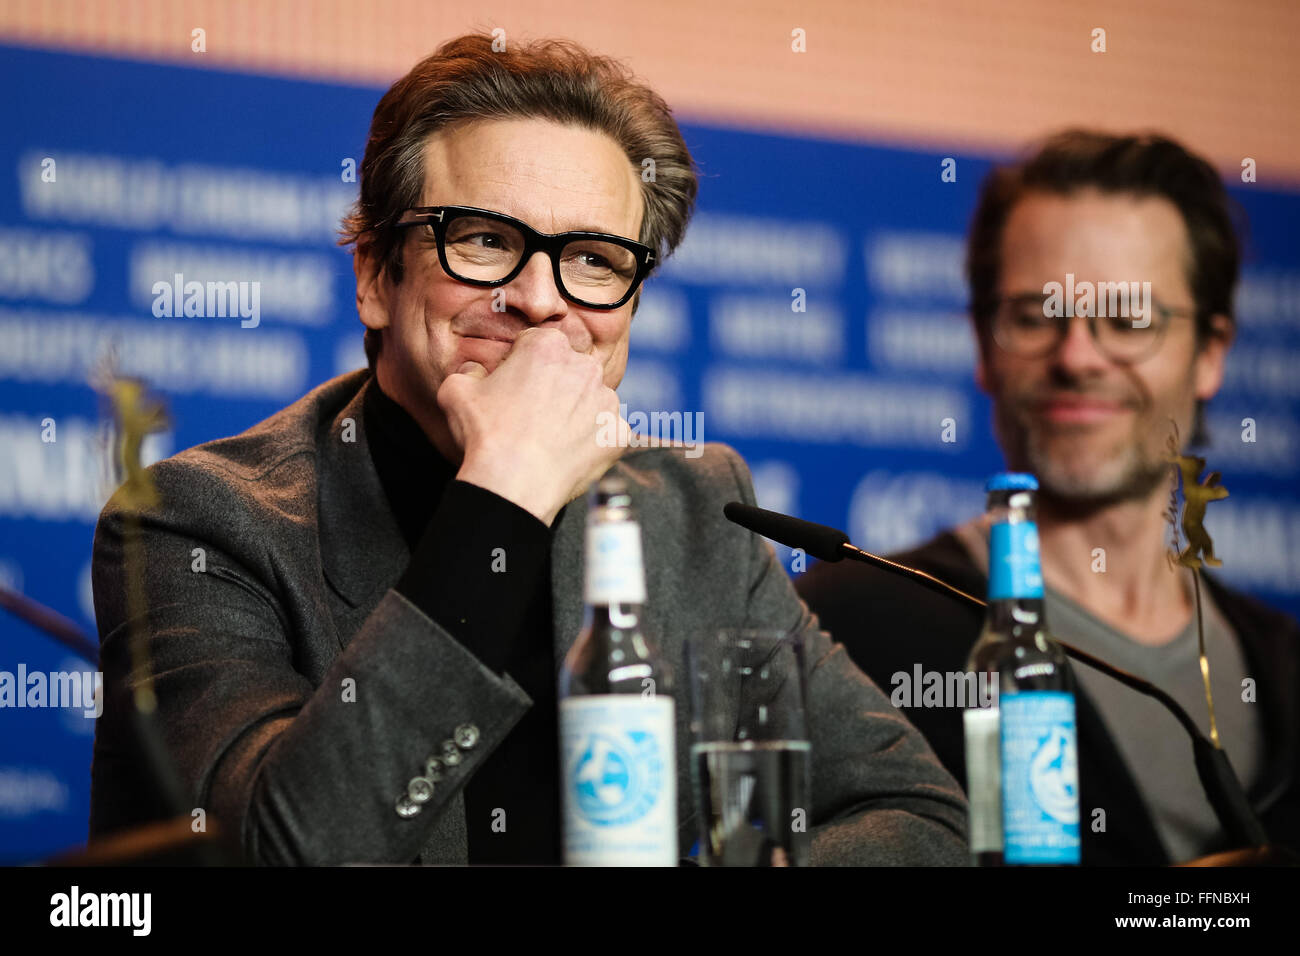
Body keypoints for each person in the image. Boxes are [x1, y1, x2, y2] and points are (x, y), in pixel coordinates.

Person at [88, 33, 968, 866]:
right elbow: (285, 851)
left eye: (592, 258)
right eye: (485, 240)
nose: (542, 299)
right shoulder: (199, 525)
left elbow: (919, 820)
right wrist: (500, 498)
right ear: (373, 277)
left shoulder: (697, 511)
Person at [797, 130, 1300, 865]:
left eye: (1129, 319)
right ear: (982, 344)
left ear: (1211, 353)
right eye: (1036, 316)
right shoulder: (845, 635)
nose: (1078, 357)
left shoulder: (1284, 671)